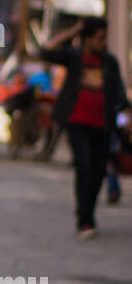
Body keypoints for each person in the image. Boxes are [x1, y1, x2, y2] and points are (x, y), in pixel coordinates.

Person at [39, 16, 131, 238]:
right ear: (87, 39)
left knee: (98, 171)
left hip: (103, 124)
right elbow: (45, 51)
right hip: (77, 122)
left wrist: (127, 113)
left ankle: (87, 212)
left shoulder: (109, 61)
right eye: (100, 38)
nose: (104, 42)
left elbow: (118, 90)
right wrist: (72, 33)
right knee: (84, 166)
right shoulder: (74, 57)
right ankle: (84, 219)